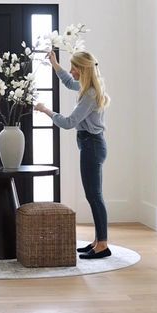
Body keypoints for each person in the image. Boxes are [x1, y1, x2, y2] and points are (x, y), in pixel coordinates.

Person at [34, 50, 111, 259]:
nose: (71, 71)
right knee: (94, 195)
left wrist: (45, 110)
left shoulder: (90, 94)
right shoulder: (91, 86)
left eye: (73, 67)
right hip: (92, 145)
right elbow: (69, 82)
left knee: (94, 196)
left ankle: (102, 244)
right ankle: (98, 241)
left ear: (83, 68)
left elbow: (68, 123)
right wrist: (54, 64)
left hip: (91, 146)